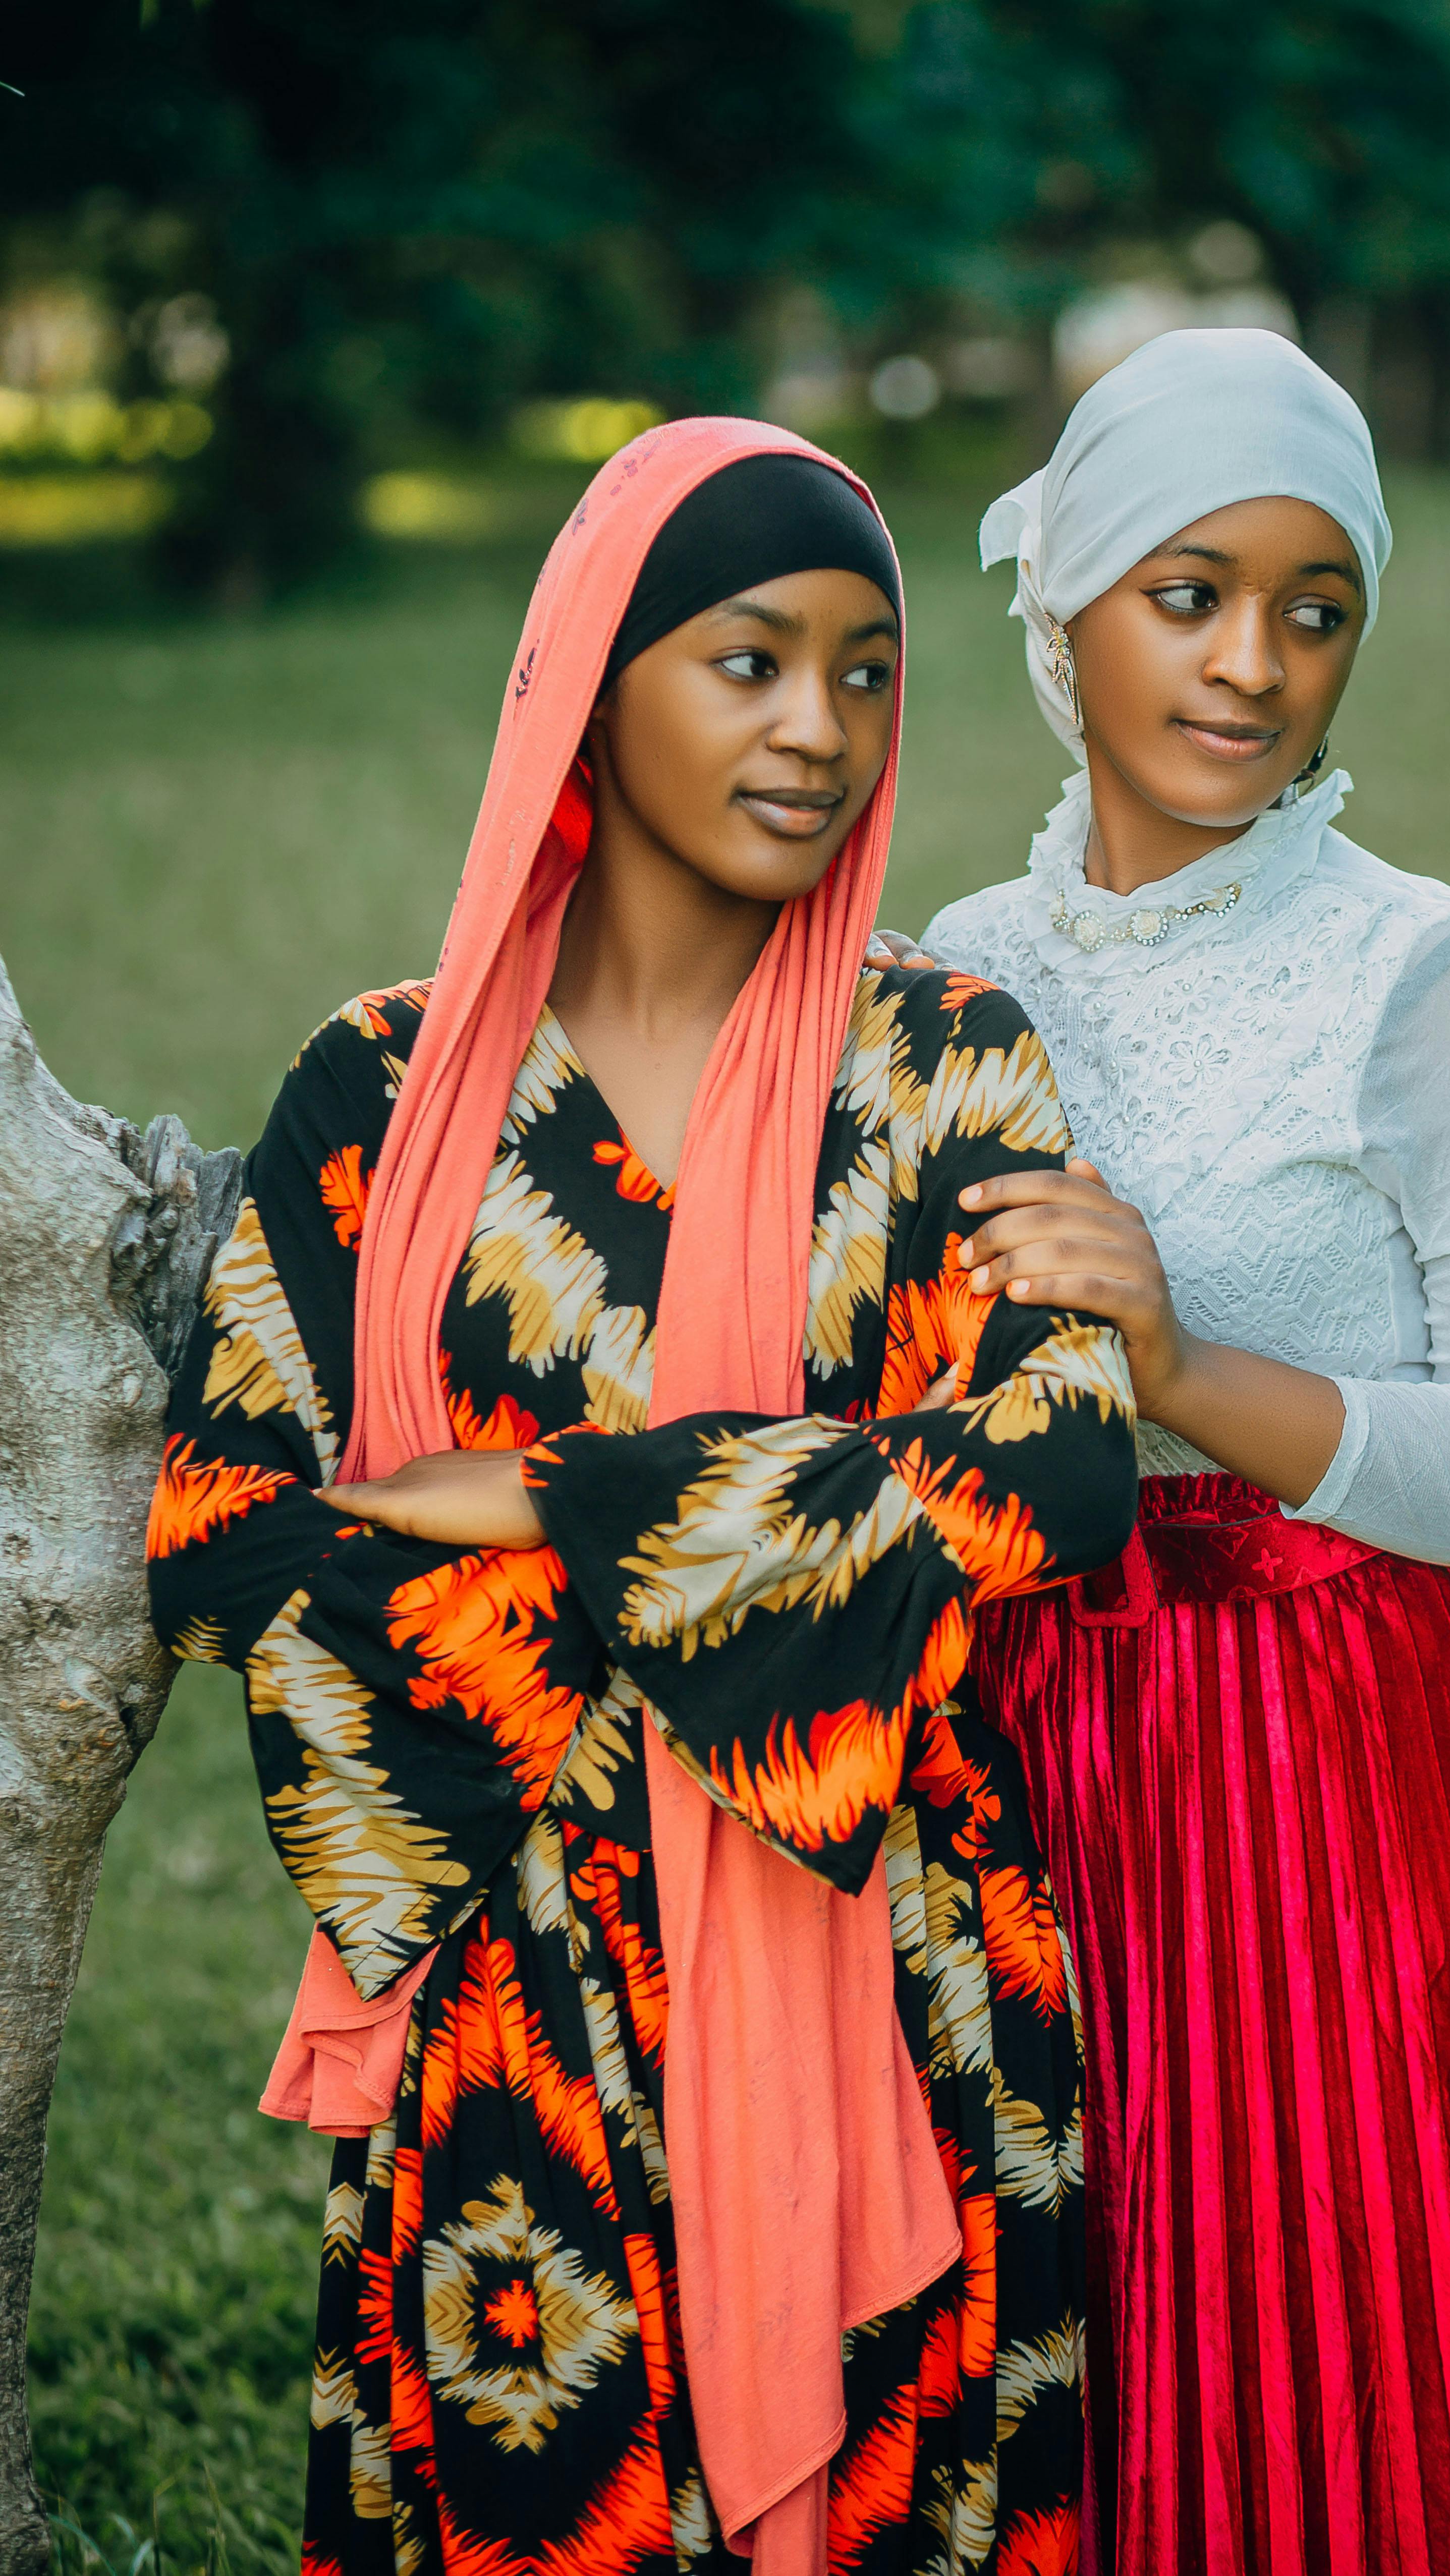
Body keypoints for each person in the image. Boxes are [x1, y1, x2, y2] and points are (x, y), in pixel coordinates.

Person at [146, 419, 1139, 2575]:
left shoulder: (948, 1056)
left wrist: (551, 1506)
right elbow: (230, 1527)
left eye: (870, 672)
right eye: (752, 659)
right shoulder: (384, 1091)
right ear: (596, 672)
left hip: (895, 1976)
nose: (821, 730)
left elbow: (1057, 1465)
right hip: (514, 2010)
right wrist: (796, 1541)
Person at [914, 330, 1450, 2575]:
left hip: (1365, 1778)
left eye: (1316, 608)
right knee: (1107, 2389)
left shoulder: (1427, 971)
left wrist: (1186, 1365)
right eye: (1190, 593)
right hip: (1045, 1785)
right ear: (1068, 606)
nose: (1252, 665)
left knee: (1369, 2383)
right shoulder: (963, 969)